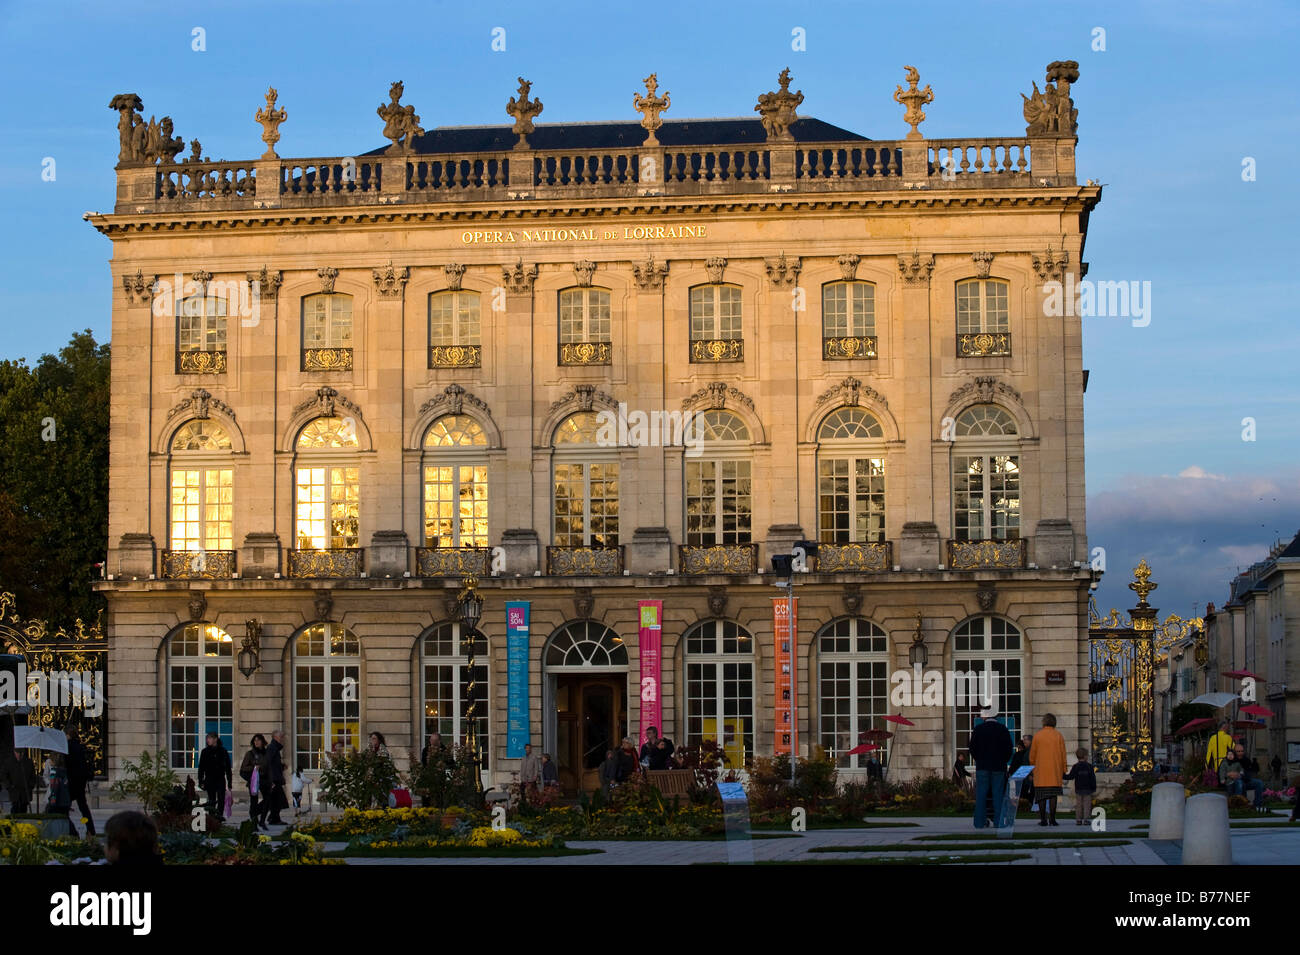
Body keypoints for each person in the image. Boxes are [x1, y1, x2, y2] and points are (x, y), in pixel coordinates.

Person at [967, 707, 1013, 829]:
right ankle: (998, 822)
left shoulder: (978, 729)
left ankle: (979, 822)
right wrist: (1003, 760)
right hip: (998, 767)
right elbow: (1009, 749)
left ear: (986, 715)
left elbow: (972, 748)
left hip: (982, 766)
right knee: (998, 795)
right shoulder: (1003, 729)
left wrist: (979, 759)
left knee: (981, 795)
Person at [1028, 713, 1068, 826]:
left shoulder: (1038, 735)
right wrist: (1064, 769)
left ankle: (1043, 819)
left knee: (1041, 796)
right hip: (1054, 770)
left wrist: (1032, 767)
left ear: (1044, 722)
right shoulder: (1058, 735)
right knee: (1052, 796)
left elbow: (1032, 755)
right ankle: (1053, 819)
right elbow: (1063, 754)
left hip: (1040, 771)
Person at [65, 725, 96, 836]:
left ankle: (72, 832)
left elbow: (66, 765)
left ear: (68, 735)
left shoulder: (67, 747)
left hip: (71, 782)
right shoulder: (81, 746)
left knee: (63, 808)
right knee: (83, 807)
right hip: (81, 782)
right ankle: (91, 831)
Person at [197, 731, 232, 825]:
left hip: (220, 778)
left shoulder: (223, 751)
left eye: (210, 738)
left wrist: (230, 783)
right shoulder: (205, 752)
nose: (208, 740)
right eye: (207, 738)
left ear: (215, 739)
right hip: (209, 778)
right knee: (211, 800)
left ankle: (219, 817)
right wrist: (200, 781)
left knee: (221, 799)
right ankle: (212, 819)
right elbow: (201, 768)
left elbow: (228, 768)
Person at [239, 734, 269, 830]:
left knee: (268, 800)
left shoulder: (266, 753)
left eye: (258, 740)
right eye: (255, 740)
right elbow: (243, 768)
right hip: (254, 781)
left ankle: (262, 821)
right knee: (254, 801)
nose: (256, 742)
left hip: (265, 780)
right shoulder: (250, 754)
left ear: (262, 742)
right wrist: (254, 767)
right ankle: (254, 822)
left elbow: (270, 767)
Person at [1224, 744, 1266, 811]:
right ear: (1234, 752)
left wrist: (1240, 775)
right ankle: (1237, 806)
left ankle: (1257, 805)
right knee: (1239, 782)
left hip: (1244, 780)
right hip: (1232, 783)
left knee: (1259, 783)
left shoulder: (1246, 760)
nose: (1240, 753)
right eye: (1238, 751)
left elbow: (1248, 775)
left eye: (1242, 751)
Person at [1063, 747, 1098, 826]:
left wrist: (1062, 775)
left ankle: (1078, 819)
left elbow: (1070, 776)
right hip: (1088, 788)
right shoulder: (1089, 766)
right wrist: (1094, 787)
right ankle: (1086, 819)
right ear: (1085, 756)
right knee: (1087, 805)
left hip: (1078, 788)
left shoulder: (1075, 766)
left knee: (1079, 805)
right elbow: (1092, 778)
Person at [45, 753, 76, 835]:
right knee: (65, 819)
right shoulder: (64, 771)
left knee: (51, 820)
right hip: (65, 801)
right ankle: (73, 834)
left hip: (57, 802)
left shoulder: (54, 772)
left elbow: (54, 789)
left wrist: (52, 802)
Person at [3, 748, 37, 814]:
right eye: (17, 753)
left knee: (23, 808)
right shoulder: (9, 762)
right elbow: (4, 776)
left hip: (25, 790)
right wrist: (9, 786)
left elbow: (33, 776)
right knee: (15, 807)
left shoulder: (28, 762)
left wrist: (30, 786)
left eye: (20, 753)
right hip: (14, 790)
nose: (19, 755)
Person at [266, 730, 288, 825]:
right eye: (281, 737)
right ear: (276, 737)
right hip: (274, 779)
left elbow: (274, 764)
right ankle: (273, 818)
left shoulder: (275, 748)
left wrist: (281, 766)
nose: (283, 739)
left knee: (277, 799)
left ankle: (274, 817)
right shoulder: (272, 748)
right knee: (277, 799)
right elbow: (268, 764)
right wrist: (271, 780)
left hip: (276, 778)